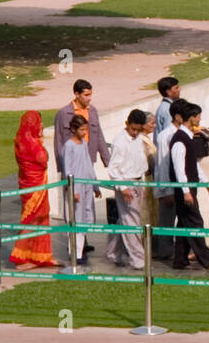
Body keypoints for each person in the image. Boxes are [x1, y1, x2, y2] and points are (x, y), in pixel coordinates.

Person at [169, 102, 209, 271]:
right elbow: (179, 168)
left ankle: (180, 259)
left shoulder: (188, 138)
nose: (199, 119)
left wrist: (205, 183)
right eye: (197, 116)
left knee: (184, 224)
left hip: (190, 187)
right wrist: (186, 191)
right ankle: (207, 260)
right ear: (191, 118)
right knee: (195, 222)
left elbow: (193, 164)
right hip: (185, 190)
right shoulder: (179, 140)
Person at [9, 111, 57, 269]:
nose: (41, 125)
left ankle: (39, 256)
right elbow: (43, 160)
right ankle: (21, 257)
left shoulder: (21, 139)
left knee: (40, 218)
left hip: (31, 183)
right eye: (39, 123)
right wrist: (42, 146)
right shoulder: (31, 142)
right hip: (34, 186)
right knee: (31, 219)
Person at [105, 109, 148, 270]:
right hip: (125, 183)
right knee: (132, 222)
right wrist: (123, 187)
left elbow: (140, 161)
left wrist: (142, 184)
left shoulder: (138, 139)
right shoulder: (119, 141)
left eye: (138, 129)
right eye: (133, 129)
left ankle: (113, 252)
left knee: (126, 219)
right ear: (127, 124)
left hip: (137, 181)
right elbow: (113, 168)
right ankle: (138, 259)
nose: (135, 132)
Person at [61, 114, 101, 266]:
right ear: (74, 129)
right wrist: (72, 190)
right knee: (75, 219)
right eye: (82, 129)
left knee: (84, 218)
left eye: (86, 129)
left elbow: (88, 165)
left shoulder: (83, 144)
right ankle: (75, 253)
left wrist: (95, 185)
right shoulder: (68, 146)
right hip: (75, 187)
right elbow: (67, 169)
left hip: (86, 186)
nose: (84, 132)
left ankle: (80, 250)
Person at [151, 98, 186, 261]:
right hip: (169, 187)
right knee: (166, 220)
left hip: (181, 186)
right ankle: (165, 251)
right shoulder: (166, 136)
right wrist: (167, 190)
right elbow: (163, 164)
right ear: (178, 117)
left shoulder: (183, 134)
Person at [53, 79, 108, 177]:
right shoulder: (63, 113)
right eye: (86, 95)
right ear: (76, 94)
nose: (89, 98)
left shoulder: (92, 111)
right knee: (72, 190)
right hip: (71, 161)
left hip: (88, 159)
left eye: (90, 95)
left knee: (88, 189)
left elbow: (99, 136)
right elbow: (58, 141)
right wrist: (62, 166)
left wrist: (107, 161)